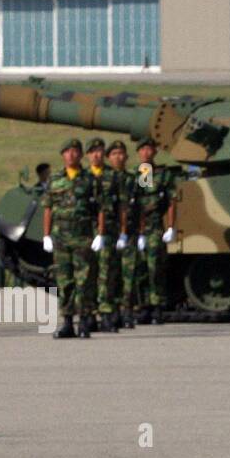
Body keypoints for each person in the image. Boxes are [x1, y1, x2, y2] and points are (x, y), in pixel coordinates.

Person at [42, 138, 103, 339]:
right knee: (64, 281)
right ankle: (67, 322)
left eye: (75, 151)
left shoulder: (90, 179)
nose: (71, 155)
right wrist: (46, 235)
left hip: (83, 237)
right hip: (60, 238)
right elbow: (48, 208)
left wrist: (99, 234)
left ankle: (85, 321)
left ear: (80, 154)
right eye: (67, 151)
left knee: (84, 281)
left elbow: (100, 209)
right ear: (63, 155)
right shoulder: (55, 179)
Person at [133, 138, 178, 324]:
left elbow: (171, 201)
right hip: (138, 228)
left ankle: (157, 306)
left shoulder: (162, 174)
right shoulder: (141, 174)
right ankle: (143, 306)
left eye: (149, 149)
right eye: (142, 149)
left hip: (155, 226)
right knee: (141, 268)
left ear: (154, 151)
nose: (146, 152)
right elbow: (138, 202)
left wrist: (170, 227)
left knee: (155, 267)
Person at [85, 137, 124, 331]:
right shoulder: (82, 177)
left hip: (109, 230)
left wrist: (125, 232)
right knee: (88, 274)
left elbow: (122, 207)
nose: (96, 154)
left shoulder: (114, 177)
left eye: (100, 150)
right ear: (88, 155)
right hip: (84, 232)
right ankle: (89, 313)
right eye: (93, 151)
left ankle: (108, 313)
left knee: (107, 272)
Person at [107, 140, 139, 329]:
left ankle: (128, 311)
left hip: (131, 232)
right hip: (110, 232)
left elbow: (146, 199)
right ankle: (110, 312)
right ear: (108, 158)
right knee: (109, 274)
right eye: (114, 154)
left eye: (121, 153)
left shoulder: (136, 177)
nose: (118, 157)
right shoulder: (104, 178)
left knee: (129, 274)